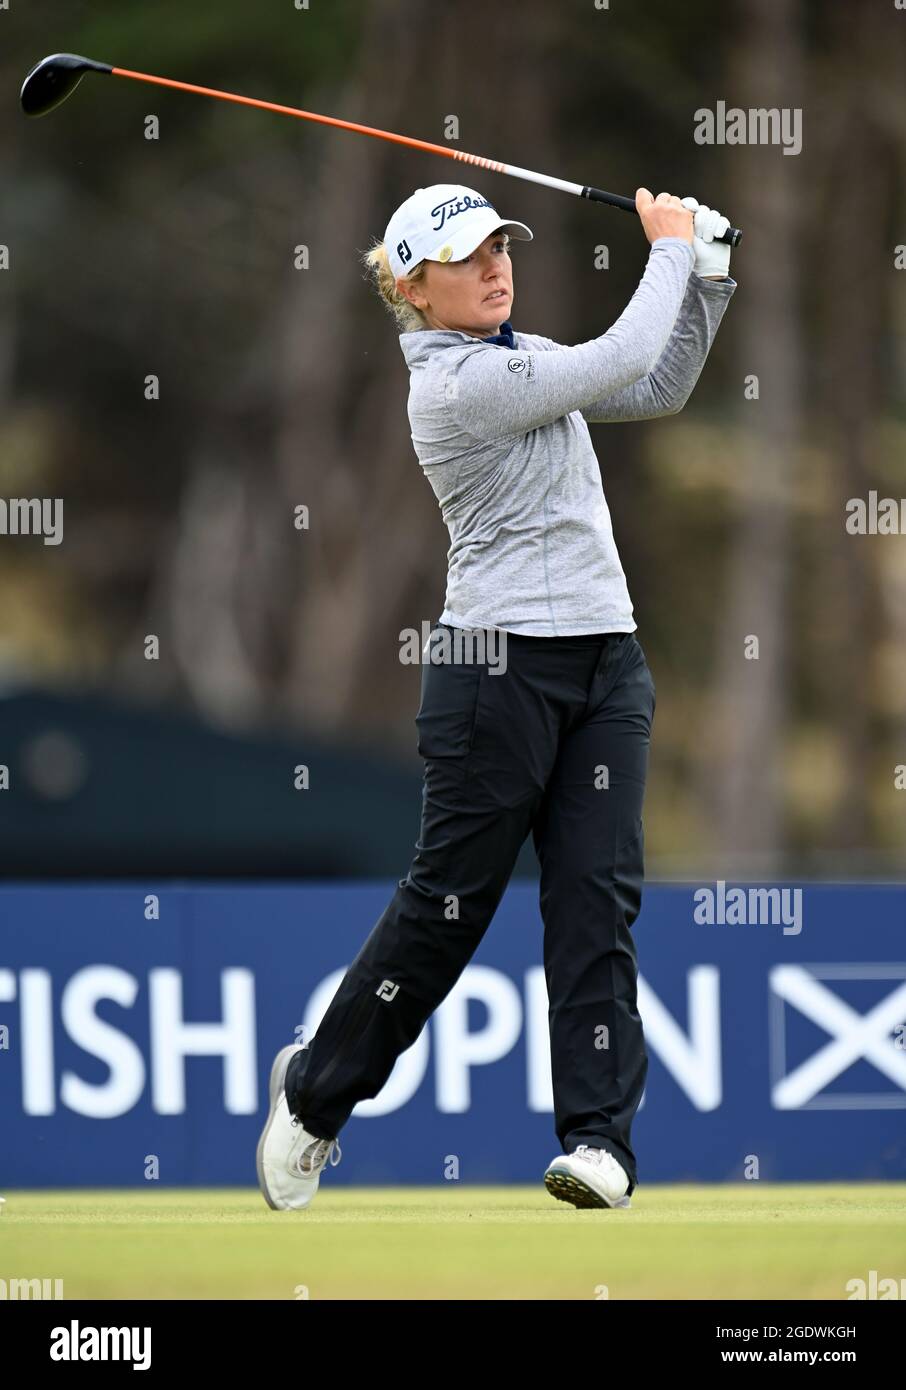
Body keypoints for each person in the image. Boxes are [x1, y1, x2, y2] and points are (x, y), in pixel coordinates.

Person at [257, 181, 736, 1211]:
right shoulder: (457, 389)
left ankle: (600, 1141)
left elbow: (656, 387)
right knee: (447, 910)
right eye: (469, 256)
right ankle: (314, 1091)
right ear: (416, 289)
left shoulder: (521, 361)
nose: (495, 266)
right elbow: (614, 358)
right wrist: (667, 247)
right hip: (496, 673)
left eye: (499, 246)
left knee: (595, 902)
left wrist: (710, 275)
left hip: (606, 661)